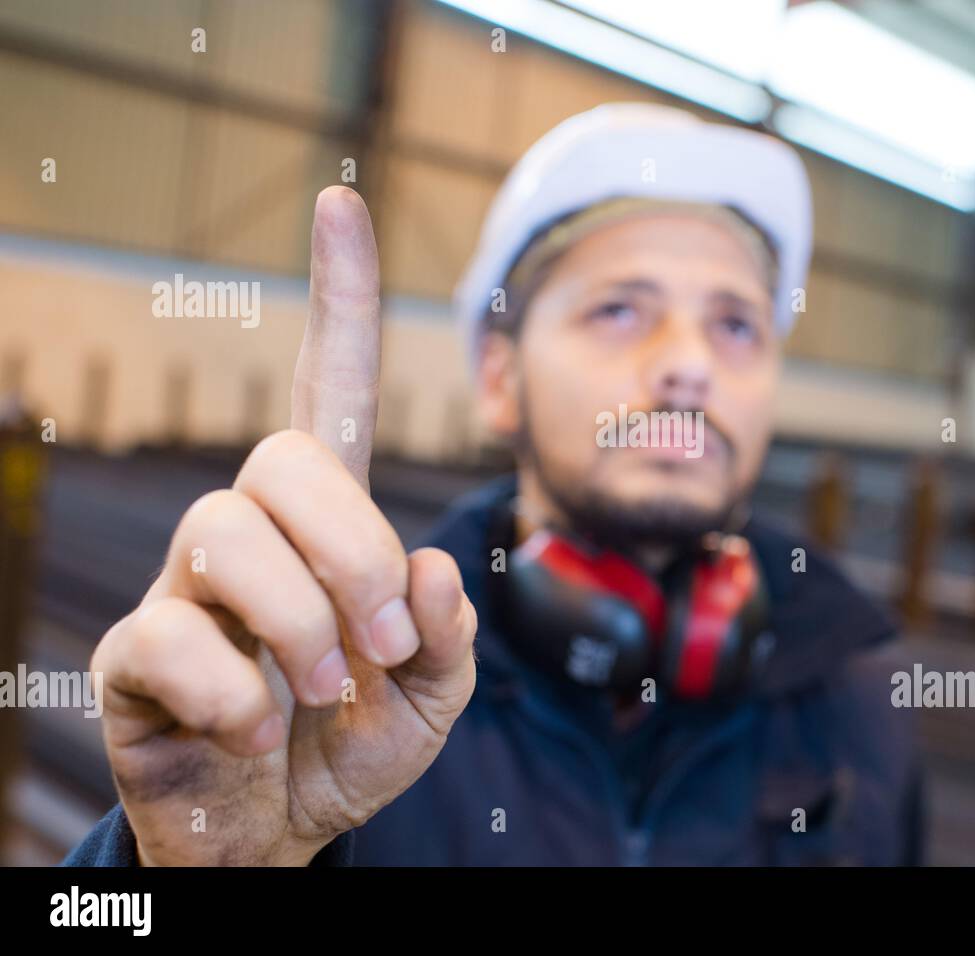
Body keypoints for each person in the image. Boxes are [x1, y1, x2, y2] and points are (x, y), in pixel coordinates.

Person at [64, 103, 923, 866]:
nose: (691, 366)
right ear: (501, 377)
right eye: (621, 308)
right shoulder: (359, 694)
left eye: (736, 323)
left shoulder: (858, 698)